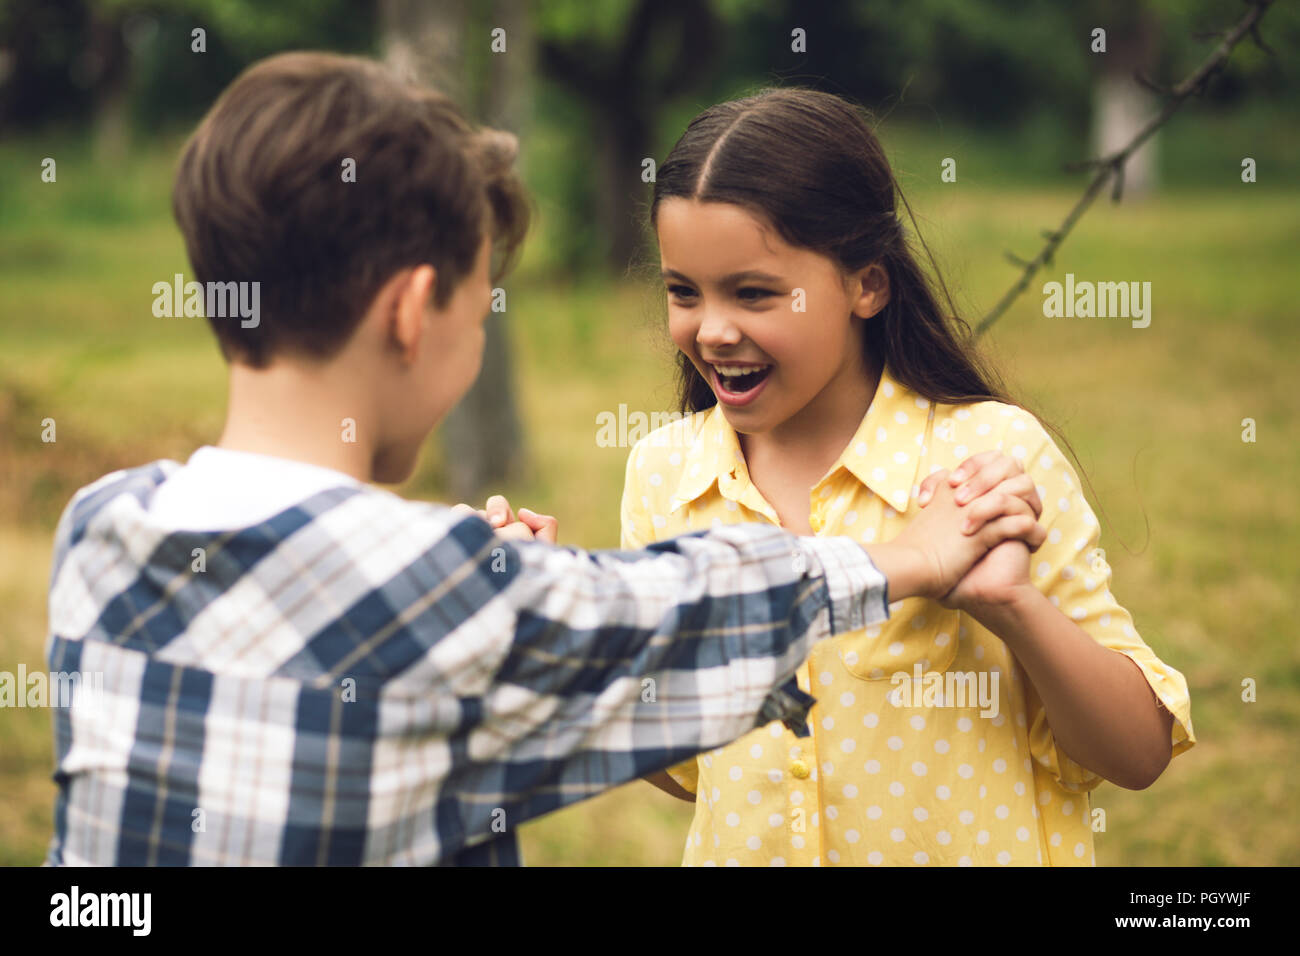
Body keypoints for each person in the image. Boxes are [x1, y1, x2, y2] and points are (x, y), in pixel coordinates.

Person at [42, 54, 1046, 867]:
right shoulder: (441, 592)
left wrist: (489, 586)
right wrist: (904, 559)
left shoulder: (99, 528)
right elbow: (687, 609)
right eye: (478, 312)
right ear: (408, 312)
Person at [625, 88, 1195, 866]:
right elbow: (689, 768)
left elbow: (1136, 754)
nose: (713, 329)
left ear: (868, 283)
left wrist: (1014, 607)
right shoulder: (667, 476)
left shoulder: (989, 461)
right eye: (683, 291)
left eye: (753, 293)